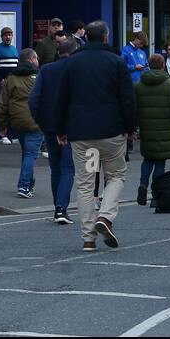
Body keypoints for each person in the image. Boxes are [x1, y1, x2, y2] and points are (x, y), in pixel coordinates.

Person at [55, 21, 134, 250]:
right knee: (116, 176)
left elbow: (62, 99)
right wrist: (130, 128)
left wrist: (60, 129)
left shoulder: (72, 63)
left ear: (86, 37)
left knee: (85, 184)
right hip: (112, 133)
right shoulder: (117, 62)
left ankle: (88, 238)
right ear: (106, 37)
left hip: (82, 135)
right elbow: (127, 99)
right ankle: (105, 216)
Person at [30, 38, 78, 224]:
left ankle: (57, 208)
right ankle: (61, 208)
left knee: (55, 168)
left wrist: (40, 121)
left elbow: (34, 99)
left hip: (49, 126)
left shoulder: (47, 70)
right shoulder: (77, 71)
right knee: (68, 168)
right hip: (71, 127)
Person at [133, 53, 170, 206]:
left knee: (148, 158)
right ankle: (156, 194)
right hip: (166, 126)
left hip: (146, 127)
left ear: (149, 65)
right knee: (160, 161)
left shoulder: (138, 85)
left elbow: (133, 106)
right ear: (163, 65)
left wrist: (136, 124)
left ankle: (143, 185)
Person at [0, 48, 41, 198]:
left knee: (27, 153)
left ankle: (29, 183)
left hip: (17, 121)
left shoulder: (11, 78)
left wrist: (2, 125)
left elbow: (3, 103)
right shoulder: (39, 76)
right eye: (36, 58)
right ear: (31, 60)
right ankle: (24, 186)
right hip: (36, 121)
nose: (38, 61)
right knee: (30, 154)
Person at [0, 27, 20, 142]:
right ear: (2, 37)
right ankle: (3, 135)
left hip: (13, 84)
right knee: (2, 109)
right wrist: (0, 80)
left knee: (14, 109)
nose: (8, 37)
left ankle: (14, 136)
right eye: (5, 35)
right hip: (0, 84)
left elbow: (17, 67)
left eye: (10, 35)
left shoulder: (14, 50)